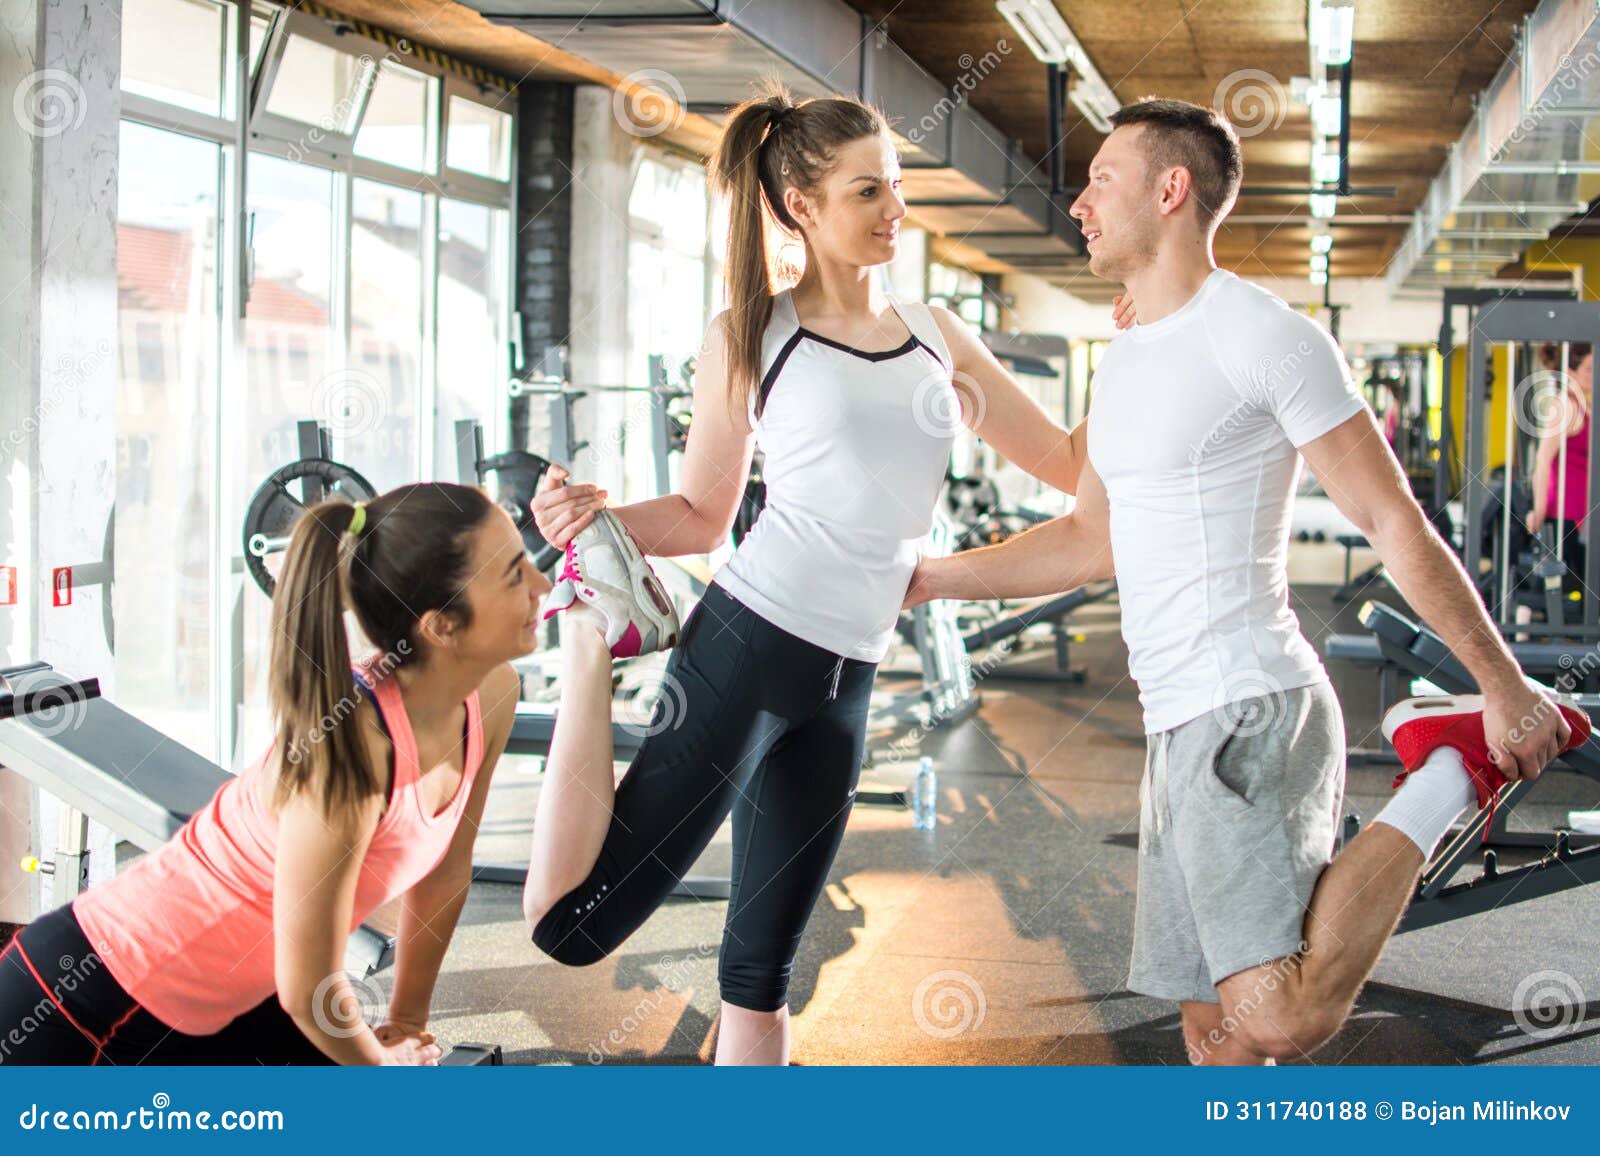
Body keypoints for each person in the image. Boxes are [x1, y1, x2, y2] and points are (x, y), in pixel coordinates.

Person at [904, 97, 1580, 1065]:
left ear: (1170, 190)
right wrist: (931, 579)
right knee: (1214, 1037)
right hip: (1172, 725)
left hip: (1250, 706)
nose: (1079, 203)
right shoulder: (1124, 358)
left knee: (1277, 1011)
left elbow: (1392, 516)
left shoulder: (1264, 337)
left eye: (1101, 179)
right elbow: (1088, 537)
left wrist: (1504, 684)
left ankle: (1444, 768)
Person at [520, 82, 1097, 1066]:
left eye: (897, 185)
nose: (896, 210)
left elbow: (1069, 461)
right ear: (800, 207)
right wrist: (598, 520)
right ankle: (584, 639)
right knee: (576, 925)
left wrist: (1153, 356)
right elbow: (705, 514)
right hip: (746, 647)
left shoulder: (937, 334)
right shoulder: (752, 333)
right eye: (867, 191)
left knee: (761, 968)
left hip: (849, 676)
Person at [0, 483, 537, 1064]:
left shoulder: (491, 693)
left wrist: (408, 1023)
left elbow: (447, 869)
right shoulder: (352, 750)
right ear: (441, 626)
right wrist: (386, 1069)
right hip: (91, 1004)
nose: (543, 583)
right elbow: (311, 992)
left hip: (239, 999)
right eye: (514, 574)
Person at [1528, 342, 1592, 597]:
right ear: (1571, 371)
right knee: (1570, 586)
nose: (1594, 373)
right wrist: (1539, 511)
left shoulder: (1582, 404)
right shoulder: (1564, 405)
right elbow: (1543, 460)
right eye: (1588, 368)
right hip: (1568, 514)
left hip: (1584, 511)